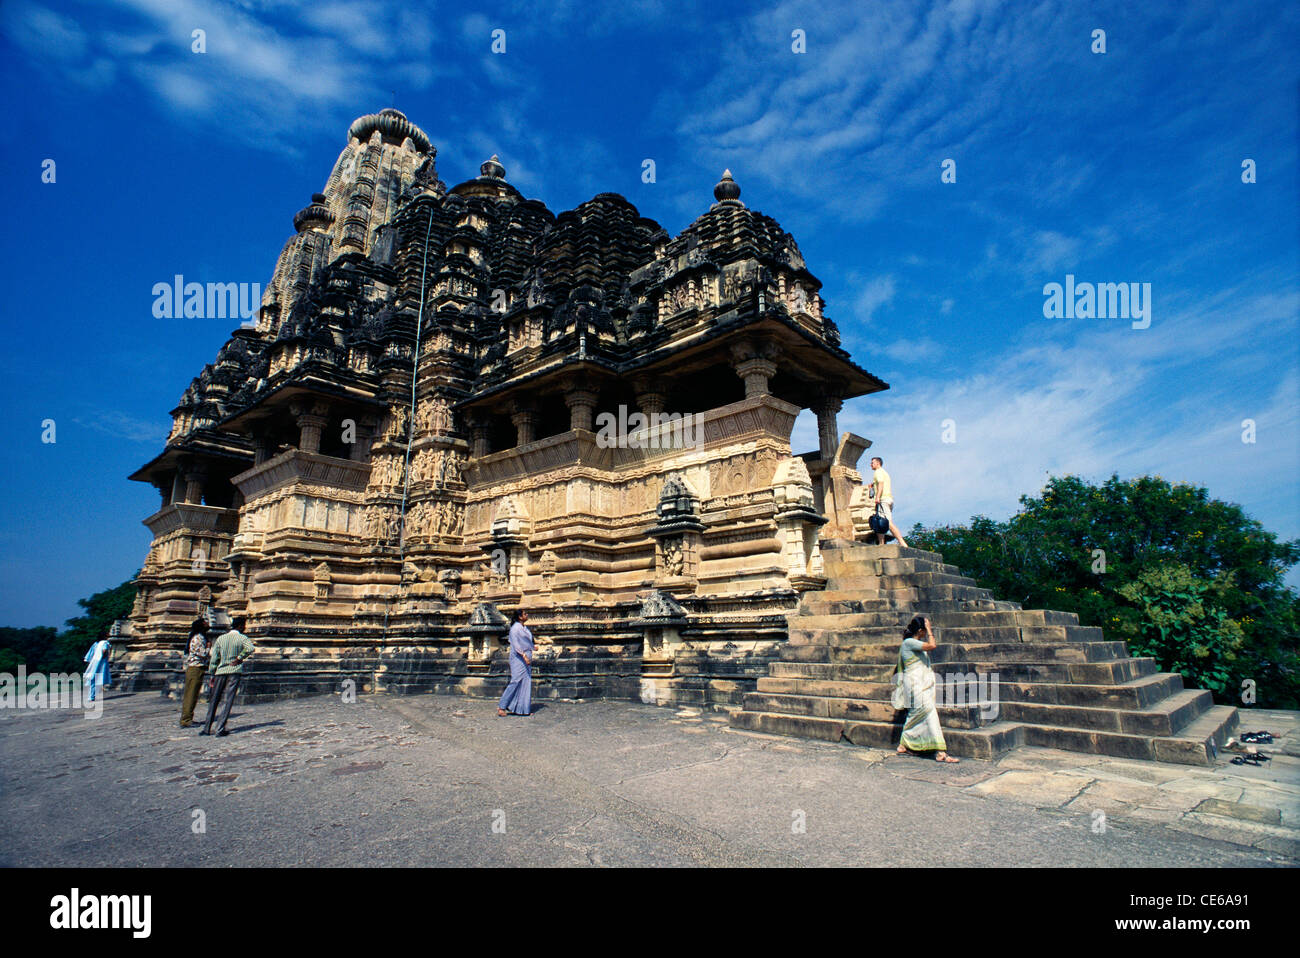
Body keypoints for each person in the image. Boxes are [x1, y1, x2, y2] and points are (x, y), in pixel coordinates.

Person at [894, 615, 958, 763]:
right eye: (924, 631)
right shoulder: (909, 643)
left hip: (919, 683)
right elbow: (932, 646)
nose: (925, 634)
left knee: (916, 715)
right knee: (929, 713)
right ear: (921, 630)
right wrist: (930, 630)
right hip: (915, 684)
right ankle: (940, 752)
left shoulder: (913, 643)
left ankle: (903, 744)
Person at [201, 617, 254, 737]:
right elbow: (250, 648)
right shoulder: (242, 638)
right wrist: (239, 658)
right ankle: (219, 728)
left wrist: (212, 672)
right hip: (234, 671)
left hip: (220, 671)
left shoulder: (221, 638)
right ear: (240, 626)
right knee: (228, 700)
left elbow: (214, 658)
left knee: (214, 699)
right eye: (244, 626)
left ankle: (206, 728)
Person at [497, 610, 535, 717]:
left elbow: (528, 641)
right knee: (515, 681)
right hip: (519, 657)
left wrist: (533, 647)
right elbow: (516, 644)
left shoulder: (525, 628)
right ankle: (501, 706)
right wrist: (524, 655)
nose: (527, 615)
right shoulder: (515, 629)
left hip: (527, 656)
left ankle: (521, 708)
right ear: (519, 617)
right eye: (525, 614)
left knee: (525, 681)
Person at [868, 456, 907, 547]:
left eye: (872, 463)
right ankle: (881, 543)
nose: (871, 464)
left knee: (888, 523)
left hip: (883, 500)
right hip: (888, 499)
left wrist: (877, 497)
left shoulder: (878, 472)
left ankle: (902, 542)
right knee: (879, 522)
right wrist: (873, 485)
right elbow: (880, 483)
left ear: (878, 463)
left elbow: (881, 484)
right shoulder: (884, 473)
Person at [180, 617, 210, 727]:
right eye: (205, 622)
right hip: (195, 668)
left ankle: (187, 717)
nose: (208, 624)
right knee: (191, 694)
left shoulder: (200, 637)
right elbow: (202, 653)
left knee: (193, 694)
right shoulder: (198, 638)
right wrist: (208, 648)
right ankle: (186, 720)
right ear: (201, 625)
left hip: (197, 668)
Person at [82, 633, 112, 703]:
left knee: (93, 679)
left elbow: (90, 654)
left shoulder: (96, 644)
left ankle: (91, 697)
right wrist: (105, 657)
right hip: (100, 663)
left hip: (94, 662)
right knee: (97, 678)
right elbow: (104, 651)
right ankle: (92, 696)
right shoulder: (105, 643)